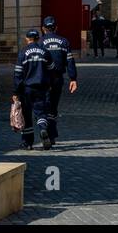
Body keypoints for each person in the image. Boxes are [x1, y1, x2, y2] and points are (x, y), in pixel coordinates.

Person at [11, 29, 52, 150]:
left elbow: (18, 74)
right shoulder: (45, 52)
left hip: (26, 89)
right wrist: (49, 83)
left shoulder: (23, 52)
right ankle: (43, 129)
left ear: (27, 39)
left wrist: (16, 92)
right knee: (41, 113)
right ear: (38, 38)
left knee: (27, 116)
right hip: (41, 88)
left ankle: (27, 143)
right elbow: (51, 70)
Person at [39, 16, 77, 146]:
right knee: (53, 107)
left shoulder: (40, 42)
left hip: (42, 79)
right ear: (56, 28)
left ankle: (43, 128)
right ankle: (52, 135)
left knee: (43, 106)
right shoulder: (63, 41)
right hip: (57, 79)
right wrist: (73, 78)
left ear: (43, 29)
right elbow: (70, 61)